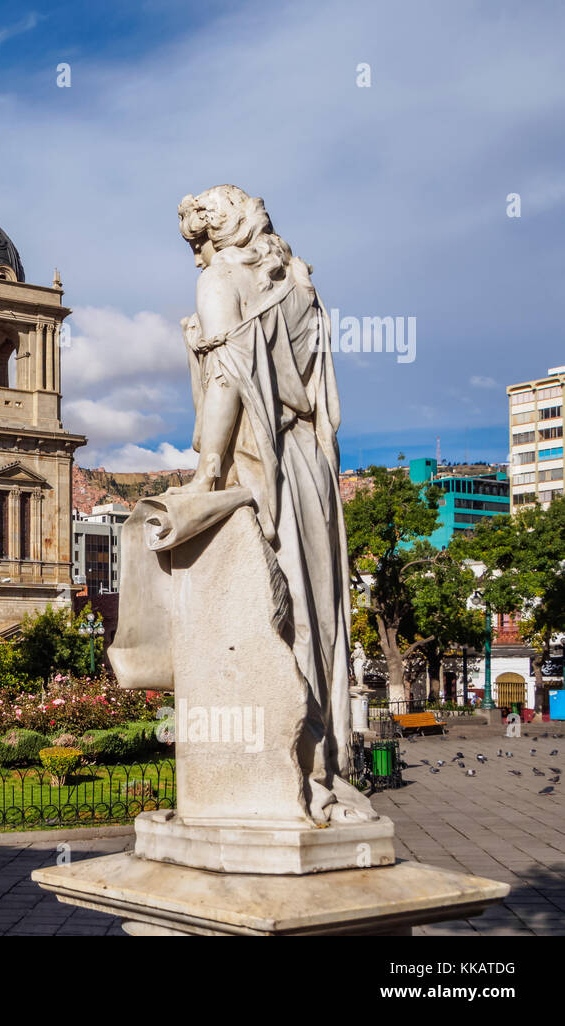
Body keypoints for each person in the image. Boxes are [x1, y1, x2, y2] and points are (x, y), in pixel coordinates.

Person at [173, 184, 364, 823]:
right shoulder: (300, 281)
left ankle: (276, 779)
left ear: (211, 235)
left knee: (272, 614)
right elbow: (313, 387)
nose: (196, 259)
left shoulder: (222, 282)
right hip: (309, 462)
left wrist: (205, 474)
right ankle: (322, 767)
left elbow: (229, 377)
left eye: (195, 244)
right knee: (315, 607)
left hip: (260, 462)